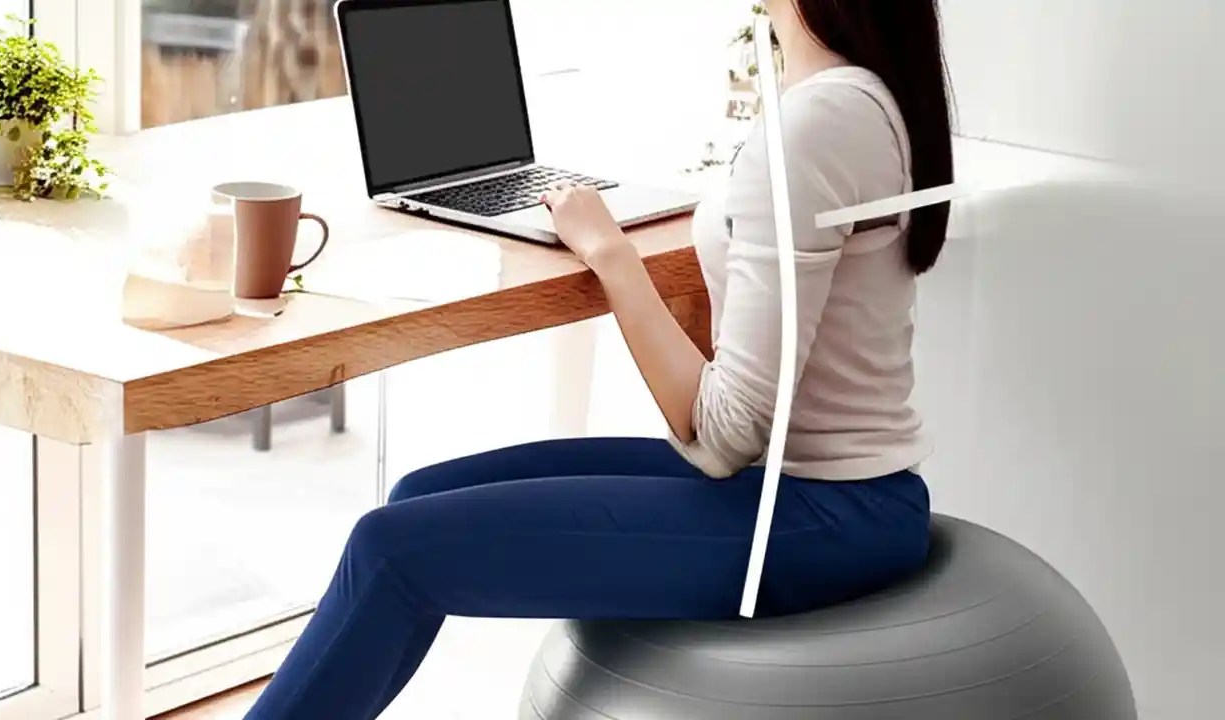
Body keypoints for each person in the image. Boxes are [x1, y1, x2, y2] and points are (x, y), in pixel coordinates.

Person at [245, 0, 953, 717]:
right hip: (811, 489)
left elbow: (725, 435)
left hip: (820, 511)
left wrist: (611, 253)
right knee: (415, 497)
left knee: (389, 550)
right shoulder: (857, 96)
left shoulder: (817, 124)